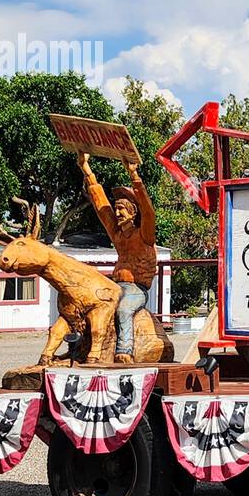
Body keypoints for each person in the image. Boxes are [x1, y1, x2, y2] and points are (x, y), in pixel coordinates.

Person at [78, 152, 157, 363]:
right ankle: (80, 348)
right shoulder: (118, 235)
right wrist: (87, 171)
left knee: (123, 309)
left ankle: (125, 350)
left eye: (121, 208)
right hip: (116, 286)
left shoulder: (144, 235)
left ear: (133, 212)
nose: (117, 212)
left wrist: (134, 176)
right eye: (117, 208)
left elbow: (148, 211)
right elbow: (100, 206)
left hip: (136, 289)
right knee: (89, 305)